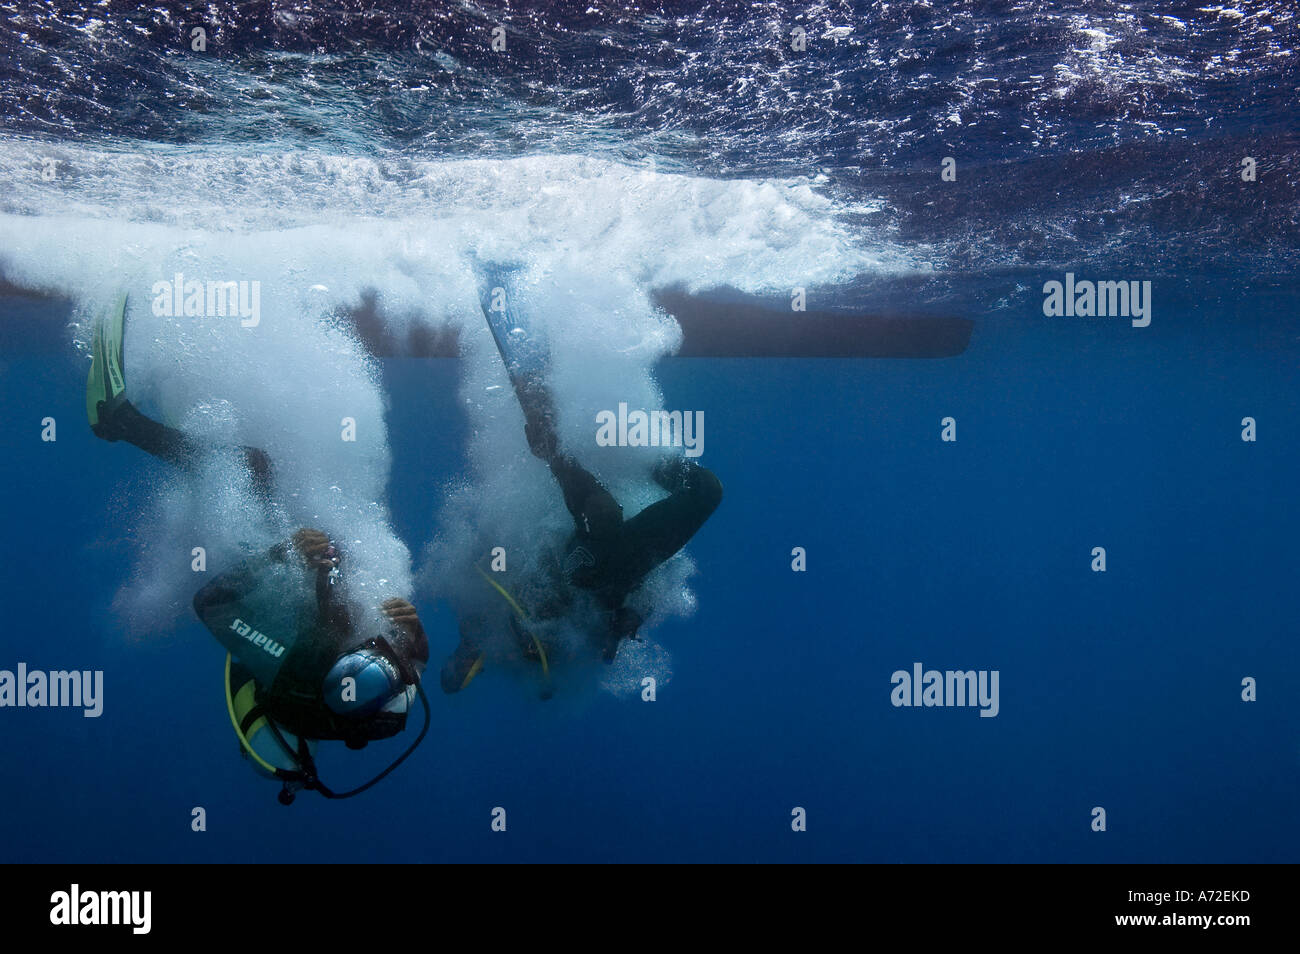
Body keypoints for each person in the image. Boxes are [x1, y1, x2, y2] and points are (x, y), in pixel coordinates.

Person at [86, 293, 430, 802]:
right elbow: (413, 660)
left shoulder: (300, 668)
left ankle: (116, 421)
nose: (377, 643)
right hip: (315, 626)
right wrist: (414, 635)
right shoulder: (392, 702)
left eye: (370, 649)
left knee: (250, 469)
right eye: (379, 652)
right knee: (269, 467)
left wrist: (285, 554)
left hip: (265, 616)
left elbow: (210, 604)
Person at [440, 278, 722, 695]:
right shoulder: (543, 638)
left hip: (581, 572)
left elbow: (453, 673)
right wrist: (631, 616)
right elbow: (654, 579)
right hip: (601, 580)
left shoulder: (498, 622)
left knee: (613, 522)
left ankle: (579, 451)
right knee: (701, 493)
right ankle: (622, 454)